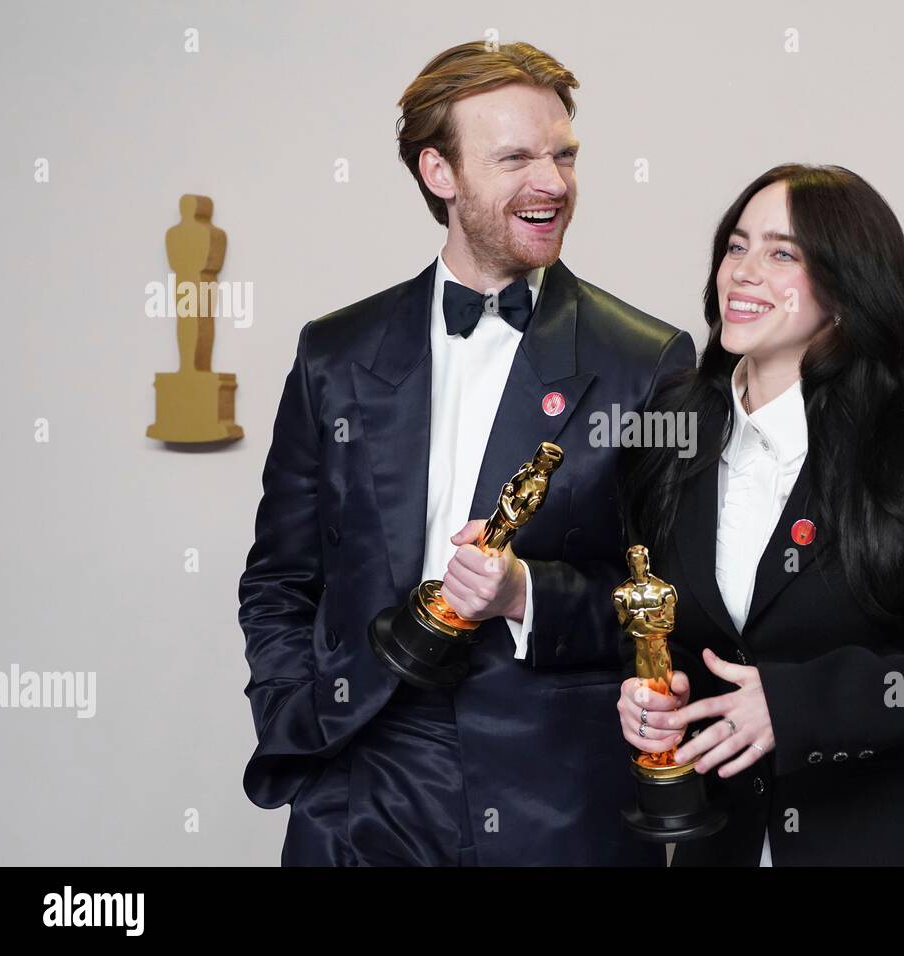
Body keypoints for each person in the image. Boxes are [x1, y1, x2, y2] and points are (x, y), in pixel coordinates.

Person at [239, 40, 694, 866]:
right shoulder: (333, 352)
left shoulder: (648, 361)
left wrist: (526, 595)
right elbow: (279, 577)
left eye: (564, 155)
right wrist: (295, 709)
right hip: (361, 770)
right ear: (438, 174)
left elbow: (676, 603)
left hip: (553, 789)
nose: (552, 183)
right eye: (516, 157)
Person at [616, 164, 904, 865]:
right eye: (736, 246)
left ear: (847, 291)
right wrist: (662, 690)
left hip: (893, 841)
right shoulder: (669, 437)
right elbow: (670, 625)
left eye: (783, 254)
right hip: (726, 842)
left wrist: (797, 705)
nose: (745, 272)